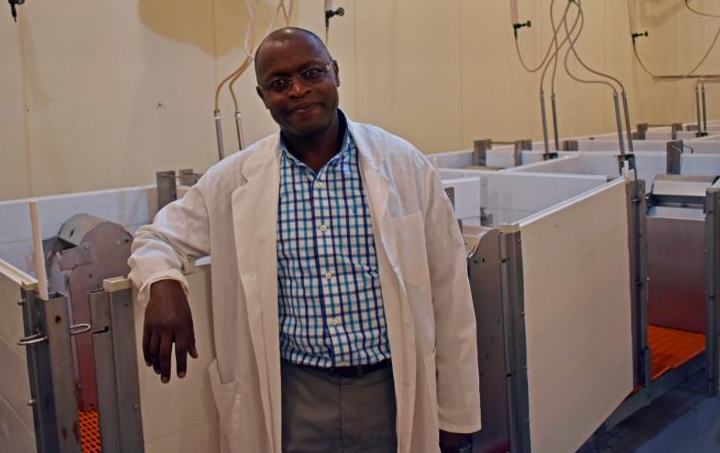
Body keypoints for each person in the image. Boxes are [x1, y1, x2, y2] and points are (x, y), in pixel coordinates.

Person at [128, 27, 480, 453]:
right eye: (279, 84)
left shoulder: (403, 164)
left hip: (391, 388)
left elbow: (450, 289)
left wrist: (456, 411)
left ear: (335, 73)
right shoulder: (233, 179)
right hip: (293, 396)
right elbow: (156, 237)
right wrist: (162, 282)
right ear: (262, 97)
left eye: (312, 73)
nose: (297, 90)